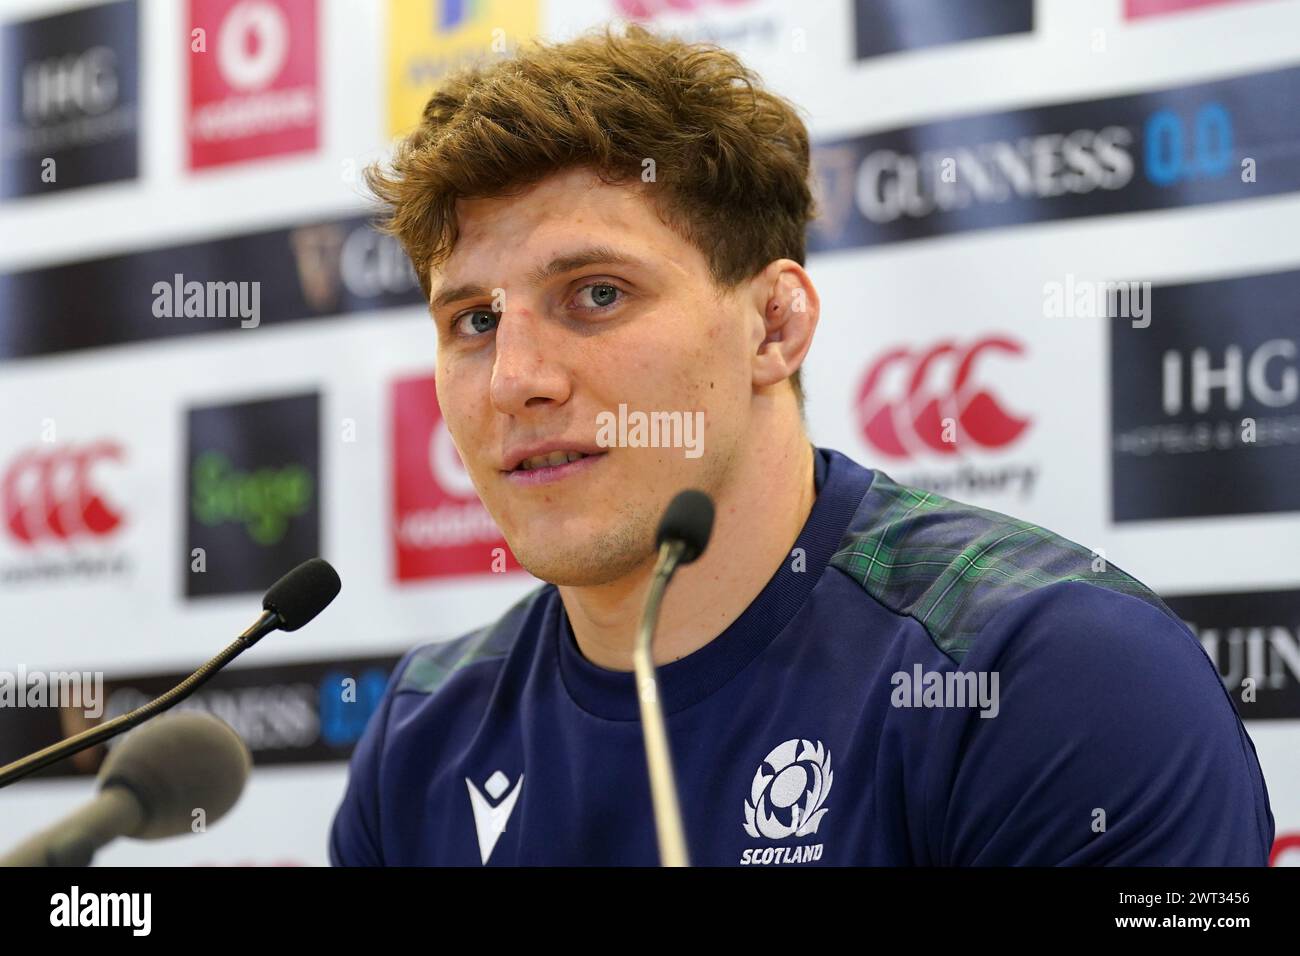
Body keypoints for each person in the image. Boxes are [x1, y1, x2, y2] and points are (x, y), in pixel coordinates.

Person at [329, 24, 1273, 866]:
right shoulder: (426, 732)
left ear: (774, 325)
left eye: (598, 294)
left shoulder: (1048, 676)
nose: (516, 379)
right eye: (474, 322)